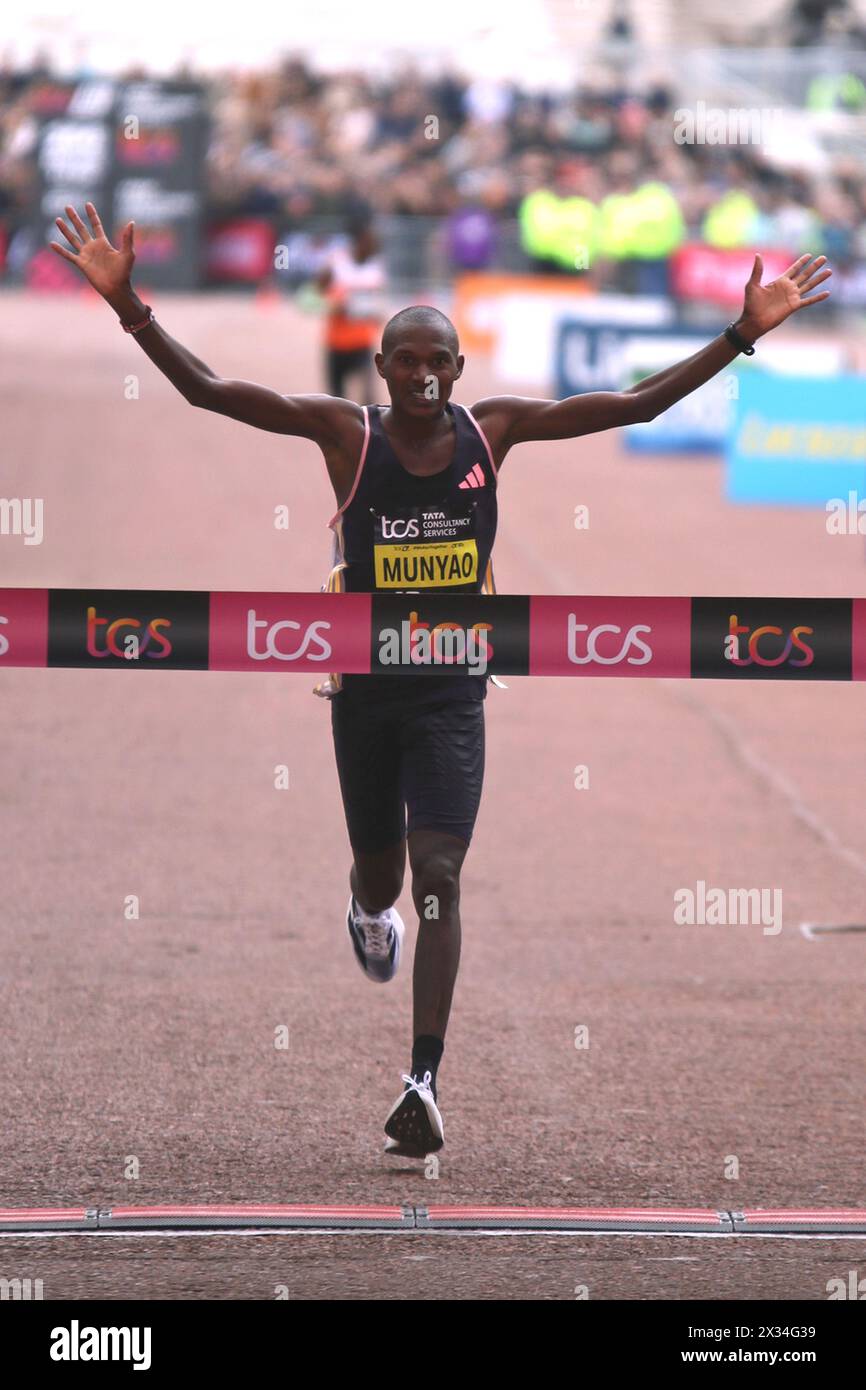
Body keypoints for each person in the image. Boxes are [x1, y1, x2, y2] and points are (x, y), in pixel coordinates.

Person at [51, 201, 832, 1157]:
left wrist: (741, 335)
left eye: (439, 362)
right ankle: (363, 906)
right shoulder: (346, 434)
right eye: (407, 361)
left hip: (452, 689)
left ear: (459, 370)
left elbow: (636, 406)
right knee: (384, 876)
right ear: (381, 368)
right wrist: (129, 307)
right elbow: (210, 392)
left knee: (442, 878)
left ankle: (422, 1079)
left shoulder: (493, 432)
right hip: (363, 693)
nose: (423, 376)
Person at [315, 217, 386, 404]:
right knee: (337, 399)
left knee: (368, 395)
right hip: (336, 342)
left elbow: (377, 303)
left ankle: (369, 423)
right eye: (370, 241)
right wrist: (334, 303)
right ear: (359, 241)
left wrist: (376, 313)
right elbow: (315, 294)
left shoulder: (375, 268)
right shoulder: (337, 263)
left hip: (362, 342)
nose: (374, 246)